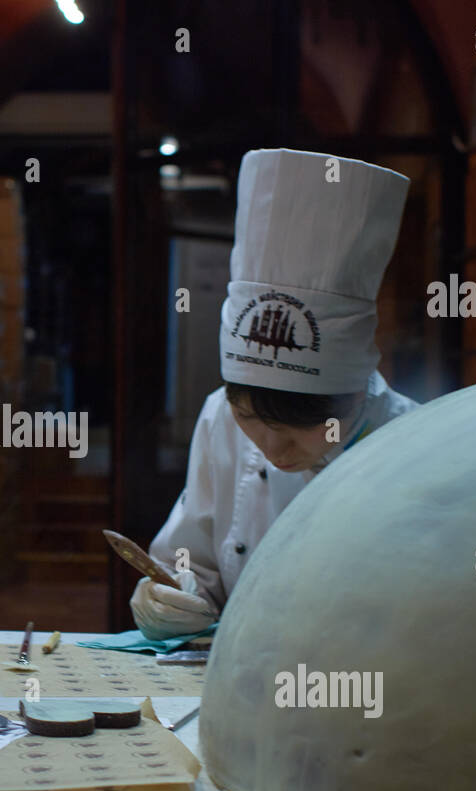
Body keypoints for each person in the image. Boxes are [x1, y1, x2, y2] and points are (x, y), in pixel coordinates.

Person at [132, 149, 419, 639]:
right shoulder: (218, 416)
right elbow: (191, 560)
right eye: (249, 419)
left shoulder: (414, 442)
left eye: (294, 429)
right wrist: (174, 596)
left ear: (350, 396)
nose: (271, 448)